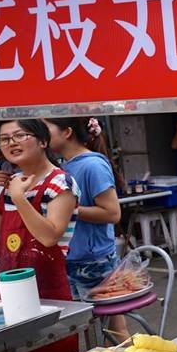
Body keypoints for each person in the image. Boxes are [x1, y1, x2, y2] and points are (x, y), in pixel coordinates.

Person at [0, 120, 79, 301]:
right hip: (11, 286)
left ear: (43, 141)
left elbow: (49, 237)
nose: (11, 143)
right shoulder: (13, 183)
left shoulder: (61, 183)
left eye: (20, 135)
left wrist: (19, 198)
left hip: (49, 291)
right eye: (4, 139)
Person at [44, 118, 122, 307]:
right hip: (73, 258)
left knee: (110, 324)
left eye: (46, 127)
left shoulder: (92, 165)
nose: (41, 133)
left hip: (94, 261)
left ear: (67, 132)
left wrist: (67, 208)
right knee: (95, 326)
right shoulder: (64, 166)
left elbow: (112, 214)